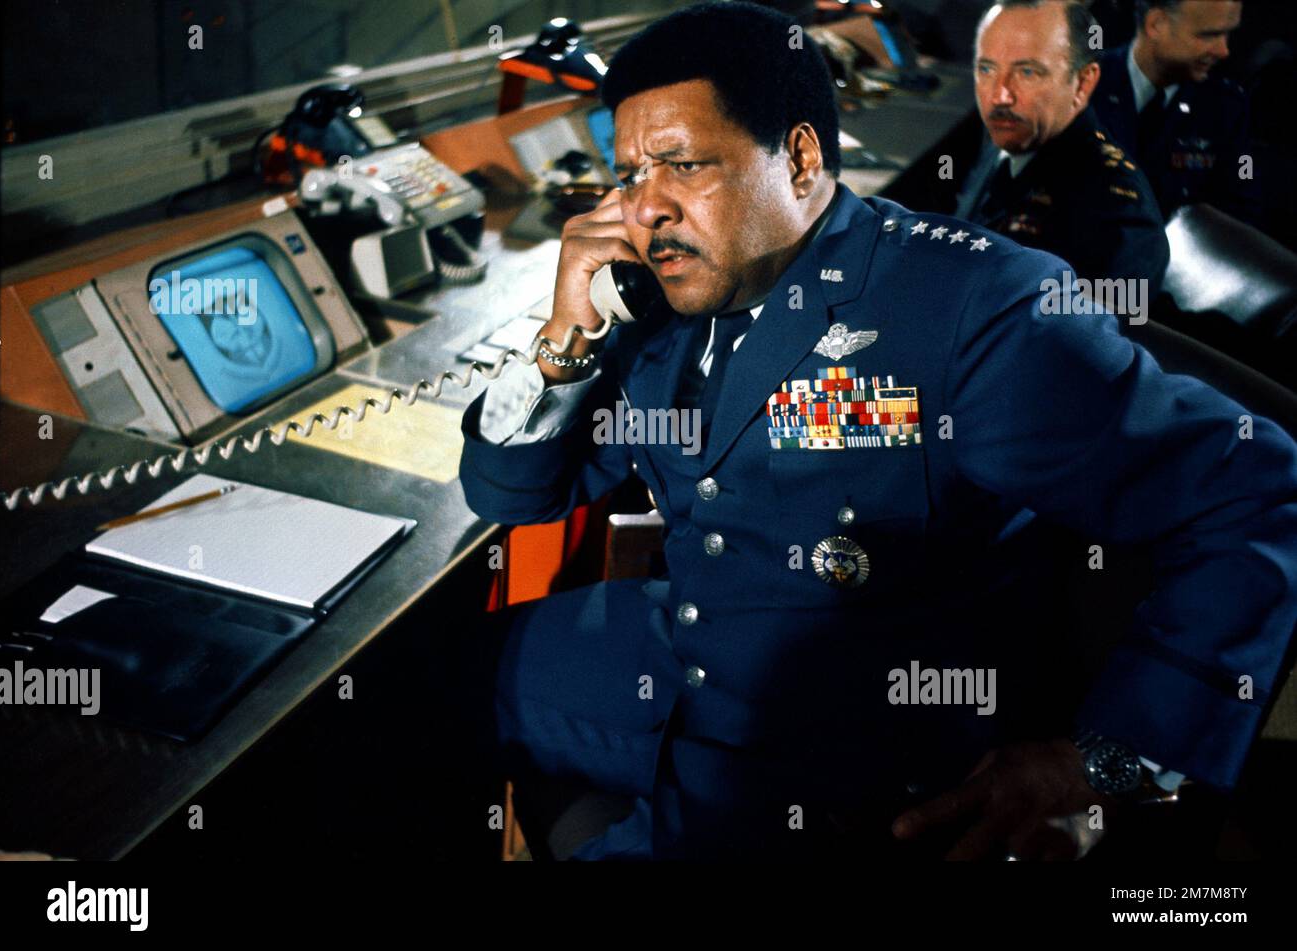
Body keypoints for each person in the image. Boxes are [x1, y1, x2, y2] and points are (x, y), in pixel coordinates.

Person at [457, 1, 1297, 860]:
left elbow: (1260, 493)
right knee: (436, 676)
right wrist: (564, 340)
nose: (645, 211)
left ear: (799, 157)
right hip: (693, 654)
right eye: (629, 174)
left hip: (847, 759)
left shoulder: (976, 309)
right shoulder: (667, 300)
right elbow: (512, 492)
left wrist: (1110, 764)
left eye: (680, 164)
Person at [956, 0, 1170, 298]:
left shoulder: (1116, 216)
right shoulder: (1012, 134)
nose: (999, 95)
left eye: (1028, 72)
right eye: (987, 68)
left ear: (1083, 84)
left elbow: (1085, 338)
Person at [1091, 0, 1260, 225]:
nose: (1223, 51)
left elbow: (1240, 211)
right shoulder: (1086, 86)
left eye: (1227, 35)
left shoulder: (1226, 109)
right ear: (1157, 24)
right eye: (1208, 35)